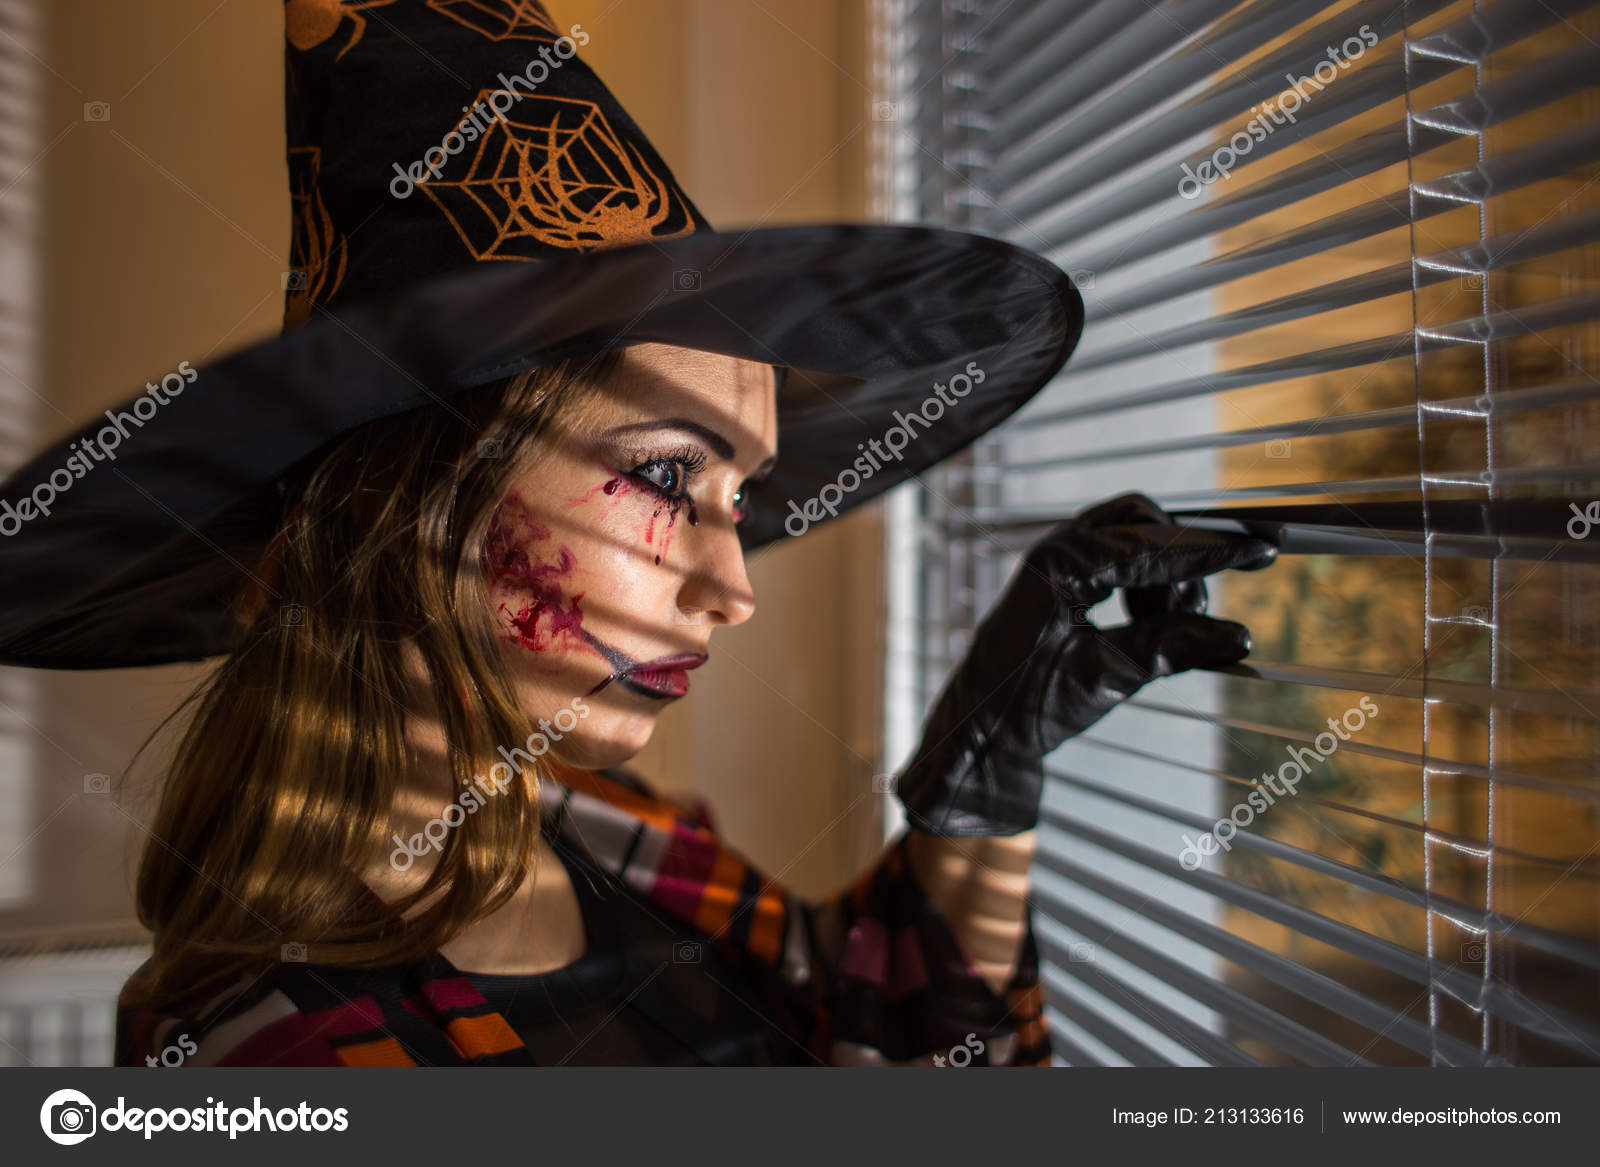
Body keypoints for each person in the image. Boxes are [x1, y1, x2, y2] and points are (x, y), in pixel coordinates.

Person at [0, 1, 1276, 1066]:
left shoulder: (613, 831)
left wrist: (973, 791)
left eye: (740, 497)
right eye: (669, 475)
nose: (733, 587)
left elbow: (847, 1022)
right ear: (405, 501)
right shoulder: (284, 1061)